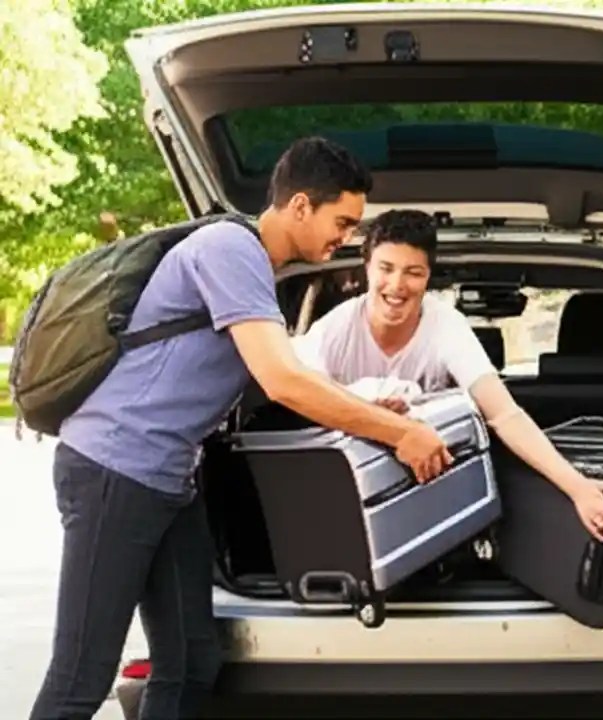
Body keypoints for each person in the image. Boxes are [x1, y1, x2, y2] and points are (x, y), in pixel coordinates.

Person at [29, 137, 472, 720]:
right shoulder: (230, 250)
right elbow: (285, 379)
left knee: (192, 662)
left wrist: (372, 410)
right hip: (115, 469)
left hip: (168, 477)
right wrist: (399, 436)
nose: (347, 237)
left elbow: (278, 383)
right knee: (80, 679)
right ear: (299, 207)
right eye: (342, 221)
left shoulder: (261, 273)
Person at [291, 208, 603, 539]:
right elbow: (293, 393)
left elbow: (505, 415)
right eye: (386, 268)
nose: (397, 285)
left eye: (413, 272)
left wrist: (577, 486)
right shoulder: (335, 328)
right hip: (346, 498)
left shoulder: (445, 326)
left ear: (428, 277)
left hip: (434, 493)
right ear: (366, 268)